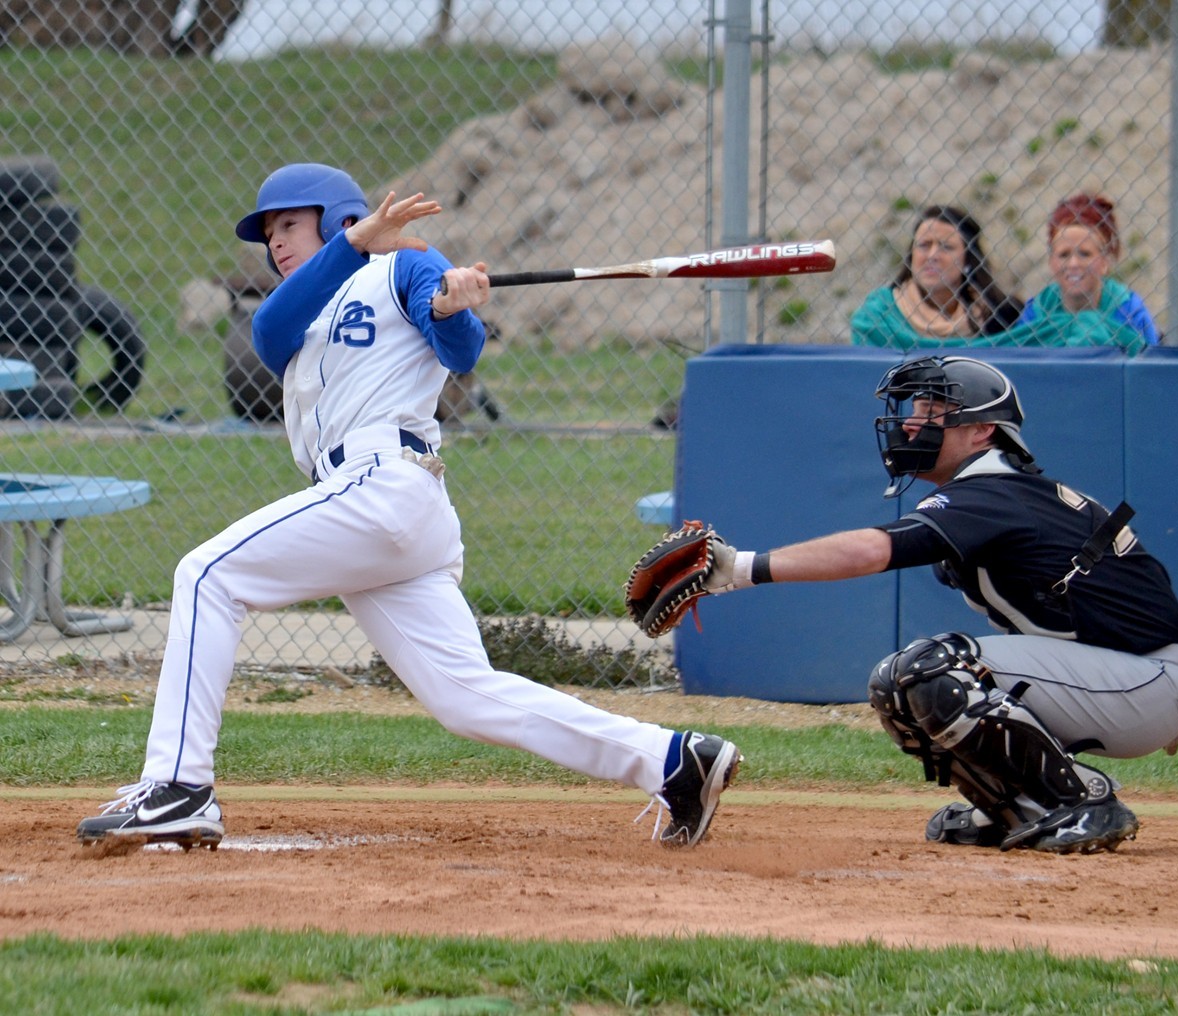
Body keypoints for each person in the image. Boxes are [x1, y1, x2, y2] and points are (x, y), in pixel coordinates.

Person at [76, 163, 740, 851]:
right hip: (377, 508)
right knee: (466, 698)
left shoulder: (402, 266)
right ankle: (673, 761)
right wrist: (351, 245)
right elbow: (269, 329)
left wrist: (451, 307)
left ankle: (178, 786)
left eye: (290, 224)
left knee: (206, 576)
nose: (275, 241)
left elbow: (462, 346)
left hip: (385, 483)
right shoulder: (294, 313)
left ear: (336, 218)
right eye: (268, 232)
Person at [696, 355, 1178, 854]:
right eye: (915, 410)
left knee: (931, 670)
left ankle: (1082, 800)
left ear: (982, 431)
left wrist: (741, 568)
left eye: (933, 411)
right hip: (1119, 677)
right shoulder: (997, 492)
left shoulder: (996, 492)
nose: (911, 423)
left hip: (1146, 680)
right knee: (894, 685)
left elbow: (873, 550)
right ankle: (1019, 807)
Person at [851, 205, 1024, 349]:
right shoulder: (881, 315)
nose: (932, 255)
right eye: (924, 245)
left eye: (946, 247)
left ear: (968, 259)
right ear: (911, 255)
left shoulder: (1001, 316)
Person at [1014, 193, 1159, 354]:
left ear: (1104, 261)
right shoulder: (1039, 309)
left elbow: (1149, 360)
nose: (1073, 264)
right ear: (1051, 262)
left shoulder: (1128, 309)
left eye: (1085, 254)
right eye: (1064, 255)